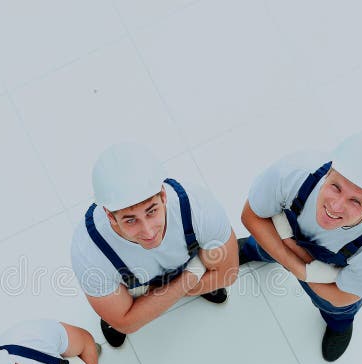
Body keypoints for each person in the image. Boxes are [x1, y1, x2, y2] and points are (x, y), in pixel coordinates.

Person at [238, 131, 362, 361]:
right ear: (330, 169)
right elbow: (251, 216)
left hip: (327, 285)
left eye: (355, 201)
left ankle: (339, 325)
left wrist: (297, 262)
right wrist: (295, 262)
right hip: (309, 266)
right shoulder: (292, 172)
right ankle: (252, 250)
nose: (335, 206)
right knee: (260, 245)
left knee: (336, 310)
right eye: (336, 187)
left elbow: (344, 297)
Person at [71, 142, 238, 348]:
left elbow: (227, 274)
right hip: (138, 283)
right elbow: (126, 323)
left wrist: (145, 306)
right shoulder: (88, 252)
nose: (149, 232)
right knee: (116, 319)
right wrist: (195, 274)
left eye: (152, 211)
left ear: (163, 195)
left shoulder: (198, 207)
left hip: (157, 280)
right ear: (109, 216)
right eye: (130, 220)